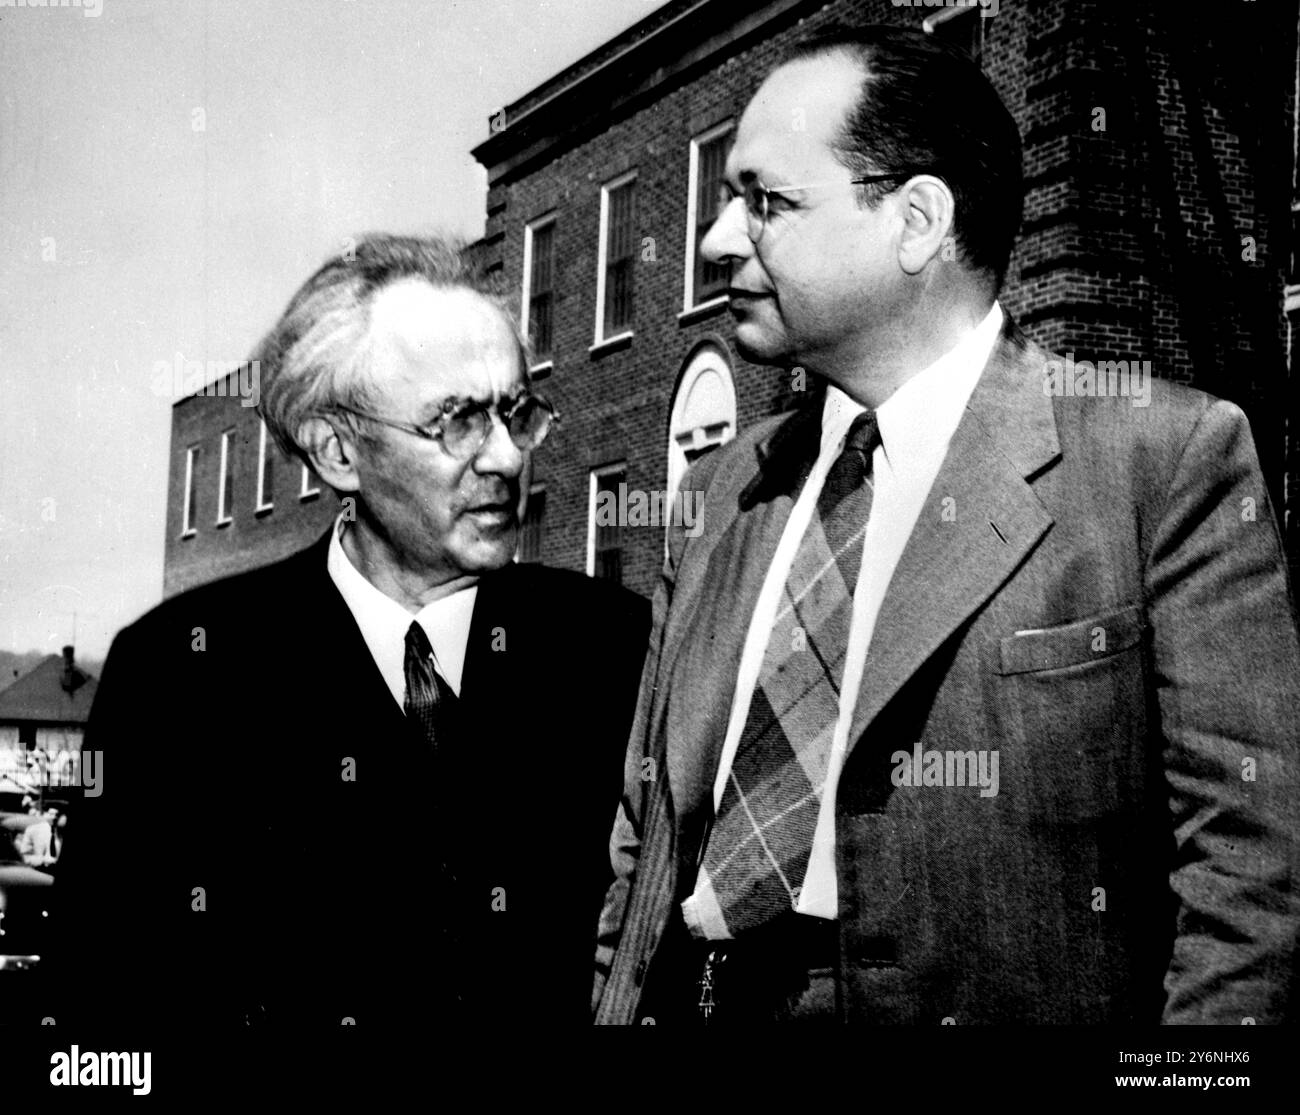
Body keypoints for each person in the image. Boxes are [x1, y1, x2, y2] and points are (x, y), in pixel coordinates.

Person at [594, 25, 1300, 1025]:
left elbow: (1253, 874)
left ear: (916, 220)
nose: (714, 242)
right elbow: (644, 836)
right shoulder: (724, 489)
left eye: (766, 202)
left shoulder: (1159, 463)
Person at [50, 234, 649, 1027]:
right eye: (459, 420)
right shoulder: (177, 673)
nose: (507, 456)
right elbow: (103, 990)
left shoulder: (614, 647)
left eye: (516, 411)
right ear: (338, 451)